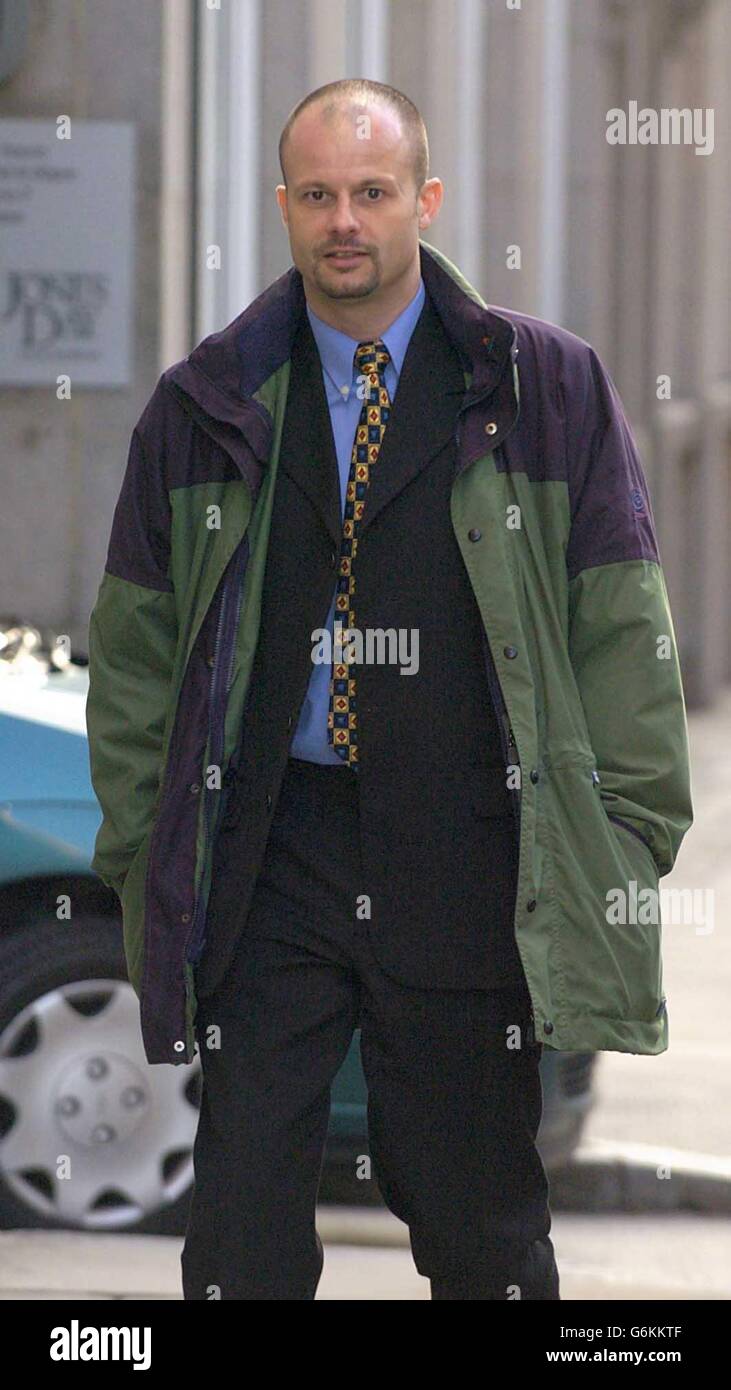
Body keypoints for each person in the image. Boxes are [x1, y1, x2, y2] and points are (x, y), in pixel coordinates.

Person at [86, 78, 693, 1300]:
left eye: (370, 192)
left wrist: (622, 834)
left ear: (423, 198)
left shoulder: (542, 386)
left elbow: (621, 629)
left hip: (468, 848)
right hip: (274, 848)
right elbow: (136, 657)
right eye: (316, 195)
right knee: (241, 1233)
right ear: (284, 208)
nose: (343, 220)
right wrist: (150, 841)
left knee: (480, 1230)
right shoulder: (204, 405)